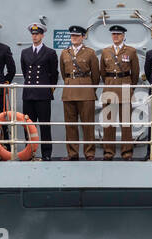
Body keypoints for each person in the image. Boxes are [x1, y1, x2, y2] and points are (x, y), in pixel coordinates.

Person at [99, 25, 140, 160]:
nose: (115, 36)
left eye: (118, 34)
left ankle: (127, 152)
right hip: (109, 87)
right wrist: (110, 82)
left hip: (125, 87)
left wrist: (130, 87)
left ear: (123, 36)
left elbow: (135, 73)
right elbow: (103, 72)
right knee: (108, 123)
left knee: (126, 124)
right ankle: (108, 152)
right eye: (113, 34)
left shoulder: (131, 51)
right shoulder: (105, 51)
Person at [60, 26, 100, 160]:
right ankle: (72, 153)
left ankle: (89, 153)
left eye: (77, 36)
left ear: (83, 37)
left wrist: (90, 89)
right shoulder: (65, 53)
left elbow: (95, 75)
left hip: (86, 91)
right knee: (70, 125)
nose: (74, 38)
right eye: (72, 36)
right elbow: (63, 73)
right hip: (69, 91)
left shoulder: (90, 53)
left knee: (87, 124)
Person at [20, 23, 58, 160]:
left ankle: (46, 153)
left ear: (42, 35)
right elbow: (25, 72)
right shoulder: (25, 53)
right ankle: (29, 153)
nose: (35, 36)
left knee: (44, 126)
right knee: (29, 126)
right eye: (33, 34)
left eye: (37, 34)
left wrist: (49, 89)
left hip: (43, 95)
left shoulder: (50, 53)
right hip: (28, 94)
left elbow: (54, 74)